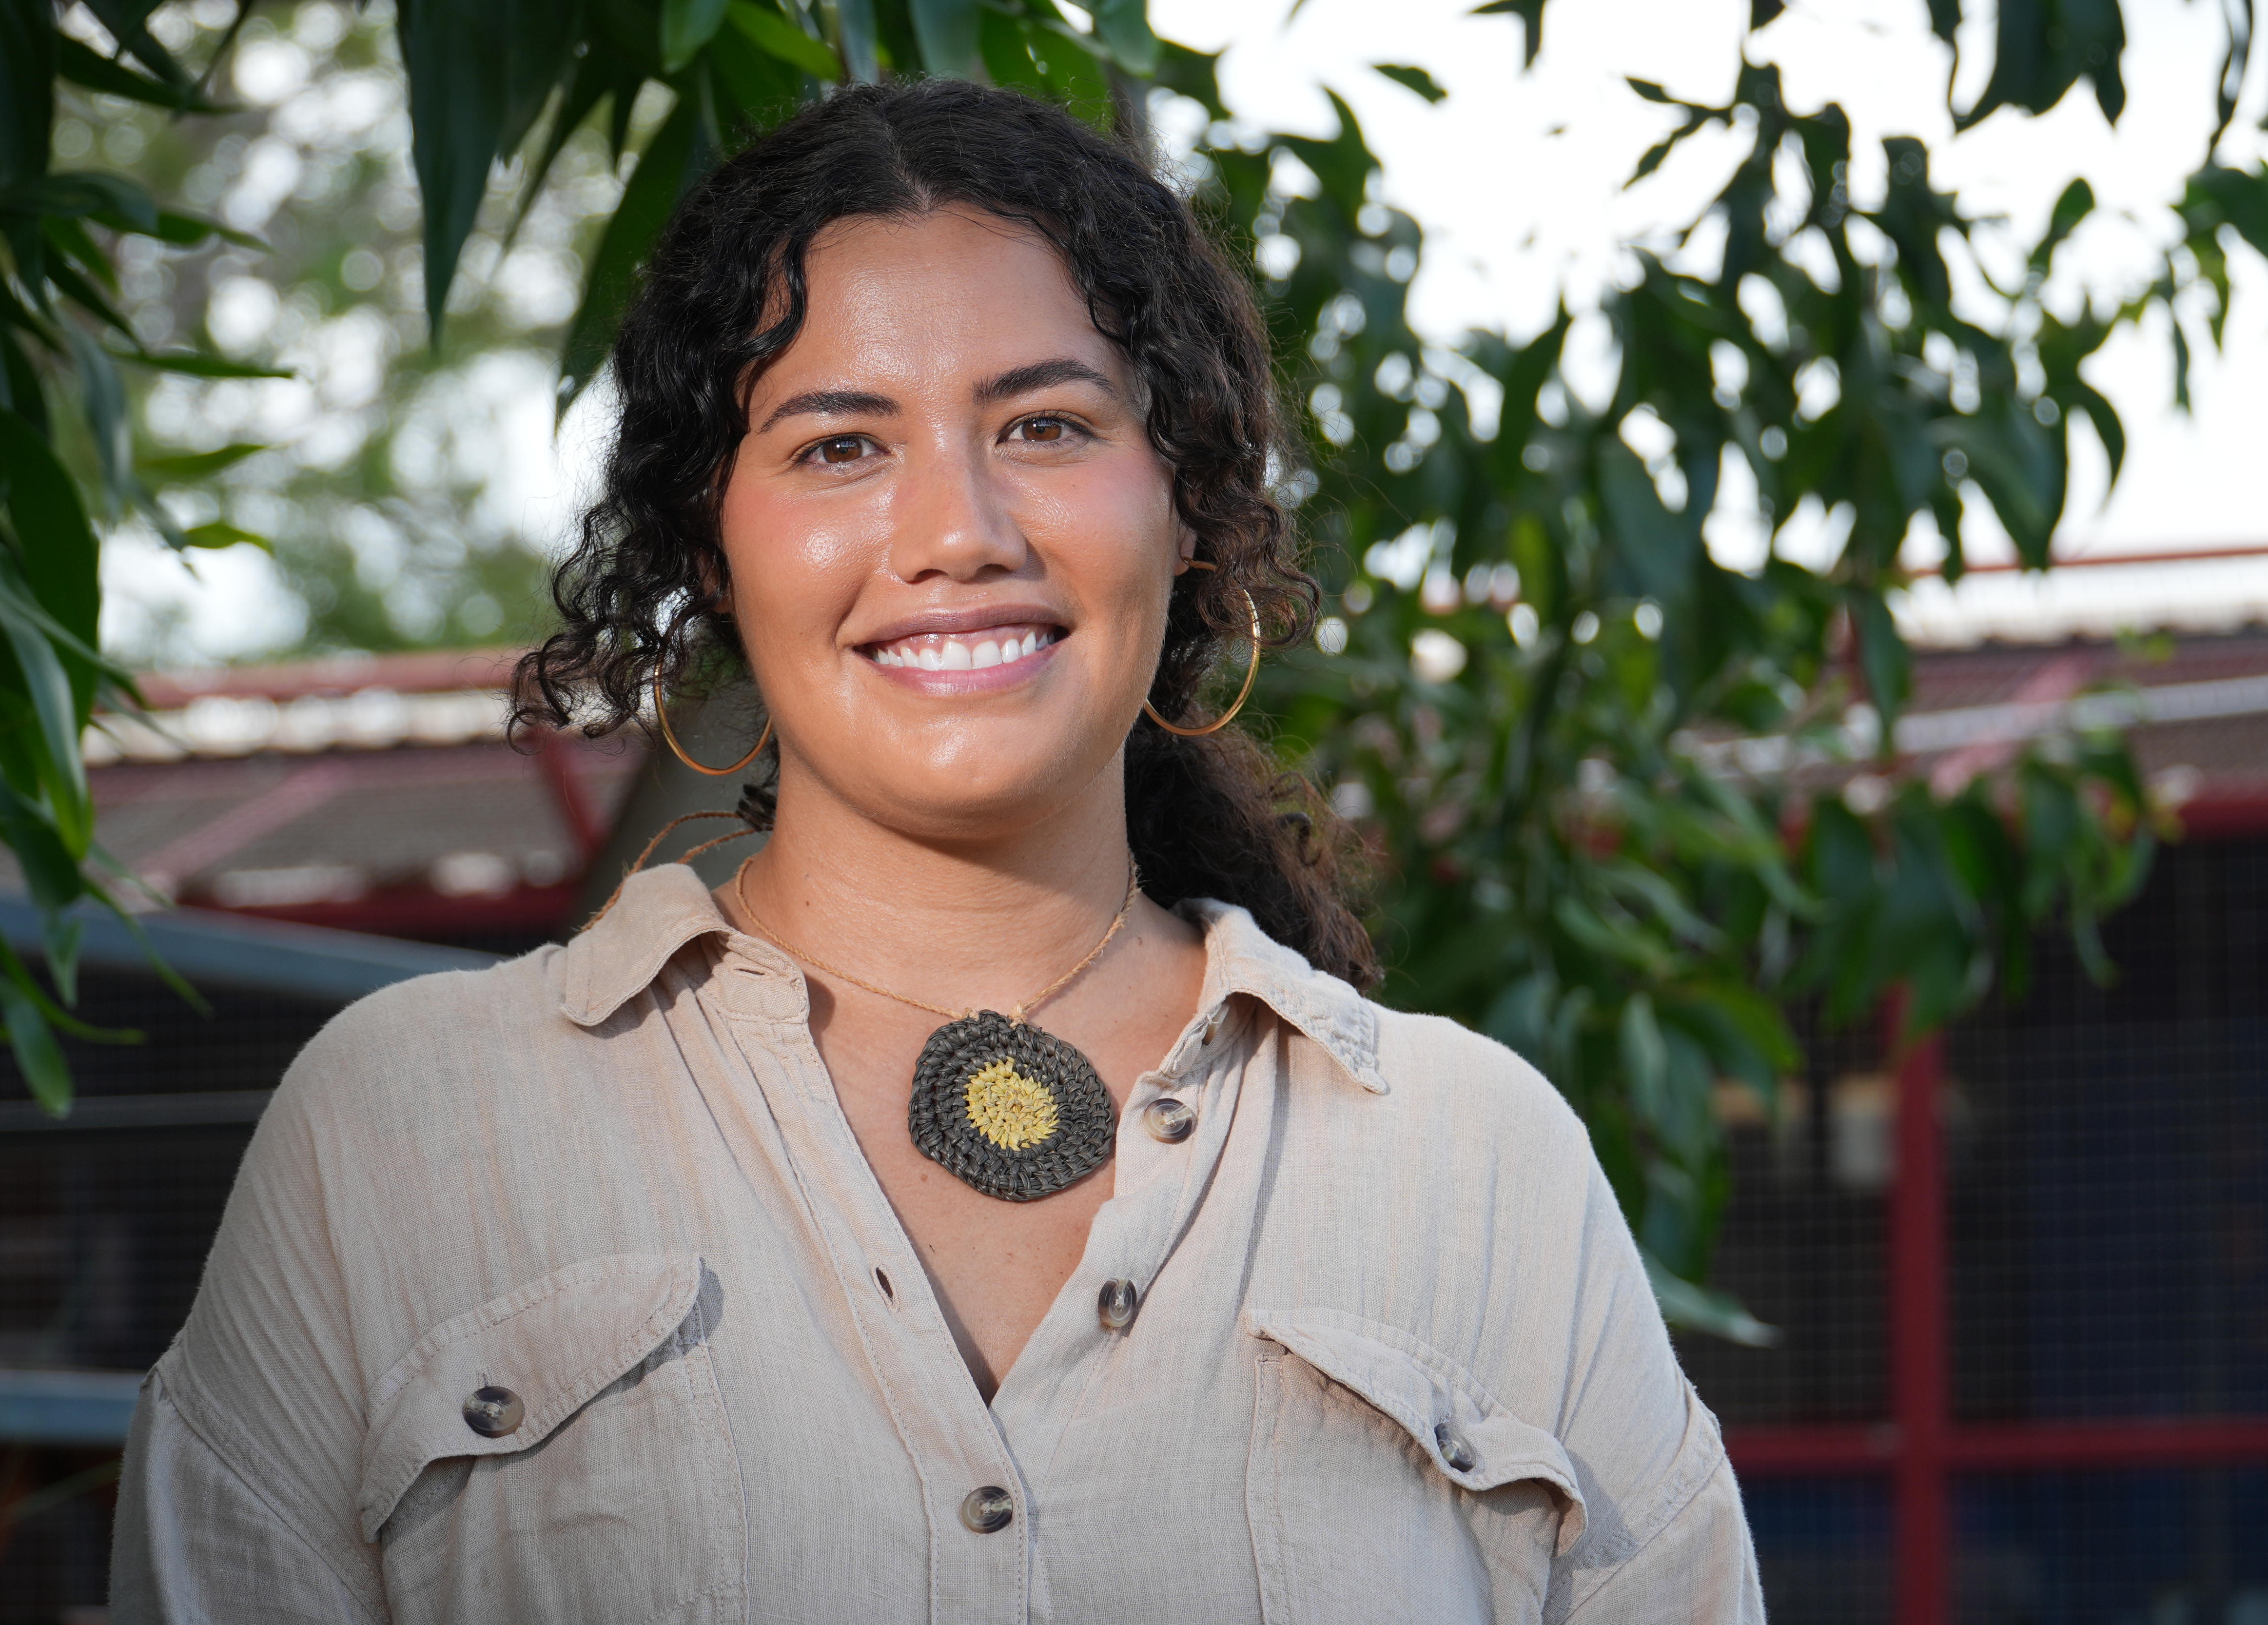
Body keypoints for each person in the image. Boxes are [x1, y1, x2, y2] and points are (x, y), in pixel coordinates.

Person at [109, 78, 1762, 1624]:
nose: (958, 532)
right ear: (712, 545)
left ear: (1185, 501)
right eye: (839, 445)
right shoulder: (404, 1135)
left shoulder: (1482, 1166)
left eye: (1046, 426)